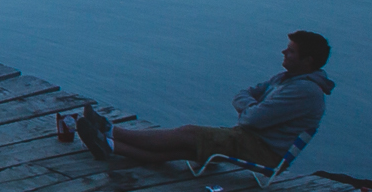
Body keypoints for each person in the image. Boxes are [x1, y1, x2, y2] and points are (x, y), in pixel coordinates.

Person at [80, 32, 335, 170]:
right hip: (250, 139)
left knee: (188, 133)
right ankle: (110, 145)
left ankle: (111, 130)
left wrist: (250, 108)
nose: (283, 52)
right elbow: (243, 93)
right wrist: (251, 106)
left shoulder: (304, 91)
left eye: (291, 51)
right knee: (183, 149)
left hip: (262, 150)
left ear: (308, 61)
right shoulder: (285, 78)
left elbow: (251, 119)